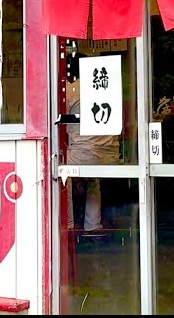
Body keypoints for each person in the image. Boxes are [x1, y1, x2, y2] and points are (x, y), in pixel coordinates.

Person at [65, 54, 120, 238]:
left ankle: (69, 223)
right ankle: (92, 225)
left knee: (60, 171)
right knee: (93, 179)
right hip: (111, 154)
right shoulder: (105, 89)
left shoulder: (70, 90)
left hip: (83, 155)